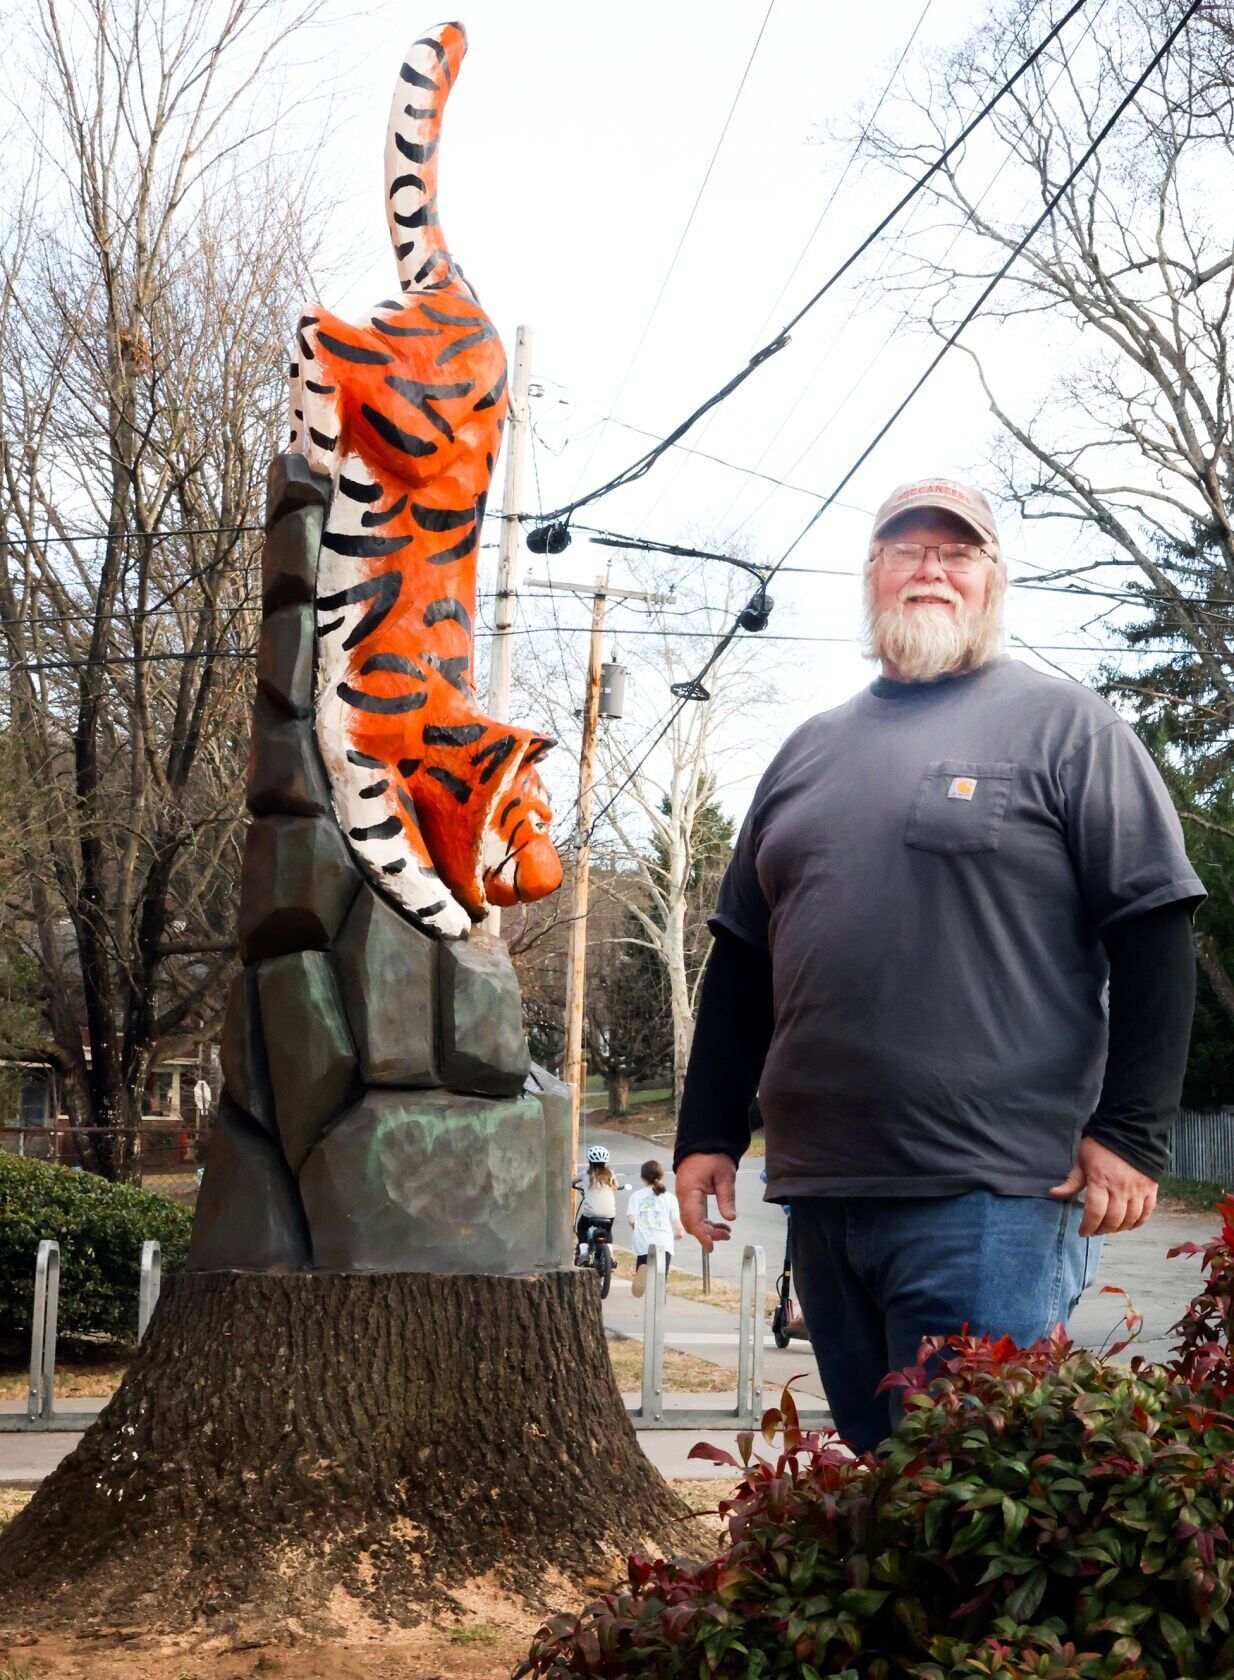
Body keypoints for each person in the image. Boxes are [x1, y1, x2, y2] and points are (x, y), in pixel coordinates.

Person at [673, 475, 1204, 1454]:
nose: (930, 568)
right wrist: (706, 1129)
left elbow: (1153, 927)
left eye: (956, 552)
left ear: (992, 583)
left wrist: (1129, 1131)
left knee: (967, 1502)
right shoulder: (806, 752)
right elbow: (742, 960)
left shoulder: (1067, 729)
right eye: (904, 550)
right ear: (870, 577)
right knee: (885, 1498)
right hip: (826, 1197)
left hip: (991, 1199)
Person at [627, 1160, 685, 1297]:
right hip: (663, 1242)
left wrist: (636, 1228)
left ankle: (643, 1271)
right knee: (660, 1278)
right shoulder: (670, 1198)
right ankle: (658, 1296)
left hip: (643, 1242)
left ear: (643, 1177)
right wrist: (680, 1232)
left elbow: (631, 1220)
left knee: (644, 1264)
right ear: (661, 1176)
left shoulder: (636, 1196)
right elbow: (676, 1221)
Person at [573, 1144, 619, 1255]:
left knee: (581, 1228)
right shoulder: (611, 1174)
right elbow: (616, 1186)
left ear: (589, 1161)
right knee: (608, 1232)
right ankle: (610, 1255)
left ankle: (583, 1253)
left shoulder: (585, 1174)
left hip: (590, 1213)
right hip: (609, 1213)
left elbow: (572, 1181)